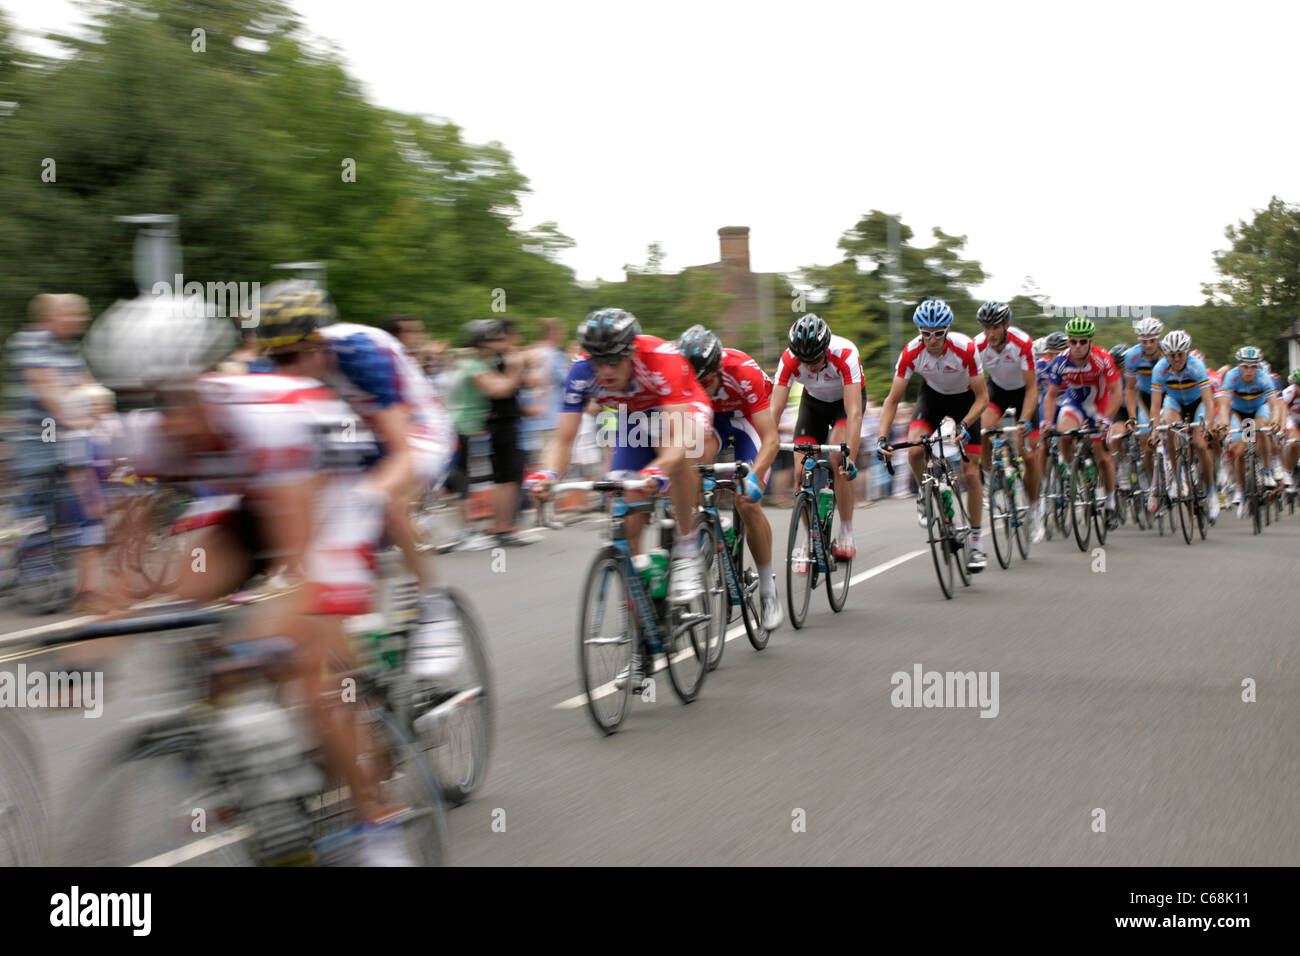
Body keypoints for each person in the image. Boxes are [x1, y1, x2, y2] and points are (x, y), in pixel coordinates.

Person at [3, 293, 110, 611]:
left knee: (79, 510)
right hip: (39, 444)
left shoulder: (69, 348)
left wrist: (101, 411)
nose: (82, 320)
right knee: (38, 514)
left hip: (68, 444)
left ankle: (81, 586)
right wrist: (75, 416)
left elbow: (88, 387)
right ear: (54, 316)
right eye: (75, 314)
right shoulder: (29, 342)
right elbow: (46, 388)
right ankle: (36, 579)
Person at [676, 325, 783, 631]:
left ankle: (767, 589)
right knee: (692, 461)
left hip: (748, 420)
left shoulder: (743, 372)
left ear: (719, 368)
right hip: (713, 422)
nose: (701, 386)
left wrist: (754, 477)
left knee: (747, 501)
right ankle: (707, 519)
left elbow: (771, 439)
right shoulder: (685, 379)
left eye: (706, 380)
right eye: (693, 381)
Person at [877, 299, 988, 571]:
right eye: (925, 333)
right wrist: (882, 438)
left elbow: (983, 398)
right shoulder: (911, 352)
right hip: (932, 399)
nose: (932, 339)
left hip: (966, 401)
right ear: (919, 331)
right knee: (915, 451)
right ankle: (923, 491)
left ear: (947, 331)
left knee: (971, 474)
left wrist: (964, 424)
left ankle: (976, 544)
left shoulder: (966, 349)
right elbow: (892, 400)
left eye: (938, 333)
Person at [768, 315, 863, 560]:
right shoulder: (789, 360)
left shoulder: (845, 353)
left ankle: (846, 532)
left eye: (816, 359)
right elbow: (773, 412)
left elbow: (854, 413)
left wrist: (849, 456)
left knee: (838, 459)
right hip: (813, 406)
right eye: (804, 360)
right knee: (799, 471)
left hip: (844, 403)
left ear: (826, 349)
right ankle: (809, 539)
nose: (809, 366)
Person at [1041, 316, 1124, 530]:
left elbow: (1116, 393)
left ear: (1090, 342)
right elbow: (1051, 396)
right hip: (1075, 402)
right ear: (1068, 342)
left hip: (1099, 404)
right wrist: (1047, 423)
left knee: (1103, 455)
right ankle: (1070, 470)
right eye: (1073, 341)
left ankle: (1110, 503)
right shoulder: (1060, 361)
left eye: (1082, 341)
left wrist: (1106, 419)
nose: (1077, 346)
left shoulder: (1103, 359)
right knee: (1064, 435)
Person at [972, 301, 1041, 540]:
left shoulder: (1022, 343)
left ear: (1006, 325)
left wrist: (1024, 421)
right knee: (982, 429)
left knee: (1028, 453)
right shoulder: (978, 346)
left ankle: (1034, 509)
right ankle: (991, 479)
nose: (990, 333)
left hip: (1024, 394)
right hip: (997, 392)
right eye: (986, 327)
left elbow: (1033, 388)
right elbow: (972, 386)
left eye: (995, 327)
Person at [1145, 329, 1219, 520]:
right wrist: (1153, 431)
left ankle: (1211, 492)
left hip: (1197, 404)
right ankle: (1178, 477)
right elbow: (1155, 406)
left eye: (1180, 354)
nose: (1176, 359)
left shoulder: (1196, 366)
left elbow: (1209, 401)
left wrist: (1208, 427)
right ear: (1166, 354)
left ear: (1186, 352)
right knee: (1168, 425)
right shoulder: (1160, 369)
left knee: (1201, 445)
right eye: (1172, 355)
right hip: (1175, 402)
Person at [1214, 346, 1285, 512]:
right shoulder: (1231, 377)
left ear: (1258, 367)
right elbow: (1224, 405)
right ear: (1239, 366)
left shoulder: (1264, 378)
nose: (1249, 370)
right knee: (1239, 452)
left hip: (1258, 410)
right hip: (1238, 413)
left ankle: (1267, 471)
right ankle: (1240, 489)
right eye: (1245, 366)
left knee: (1262, 428)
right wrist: (1224, 423)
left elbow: (1274, 405)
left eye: (1253, 366)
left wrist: (1275, 421)